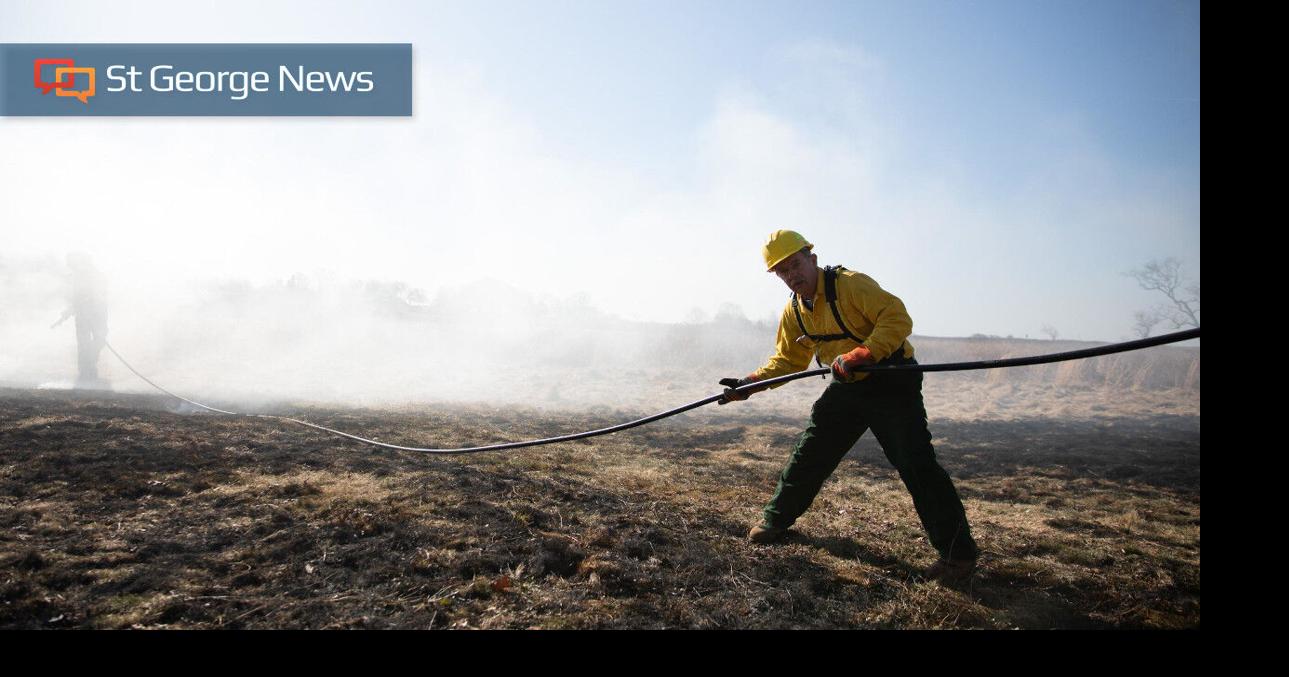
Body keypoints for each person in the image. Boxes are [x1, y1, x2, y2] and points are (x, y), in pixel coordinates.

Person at [719, 230, 979, 582]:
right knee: (811, 452)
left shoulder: (851, 285)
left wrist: (862, 353)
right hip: (849, 388)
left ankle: (958, 558)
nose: (792, 275)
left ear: (812, 259)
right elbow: (787, 361)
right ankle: (776, 520)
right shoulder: (795, 311)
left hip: (892, 381)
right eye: (782, 271)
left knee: (916, 464)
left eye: (795, 264)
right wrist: (749, 385)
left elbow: (897, 318)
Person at [52, 252, 109, 389]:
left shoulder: (93, 275)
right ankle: (85, 374)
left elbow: (98, 294)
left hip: (97, 314)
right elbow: (77, 298)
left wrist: (79, 306)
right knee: (84, 343)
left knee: (98, 340)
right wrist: (71, 310)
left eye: (71, 262)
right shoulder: (77, 277)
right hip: (84, 316)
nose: (69, 265)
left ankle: (89, 368)